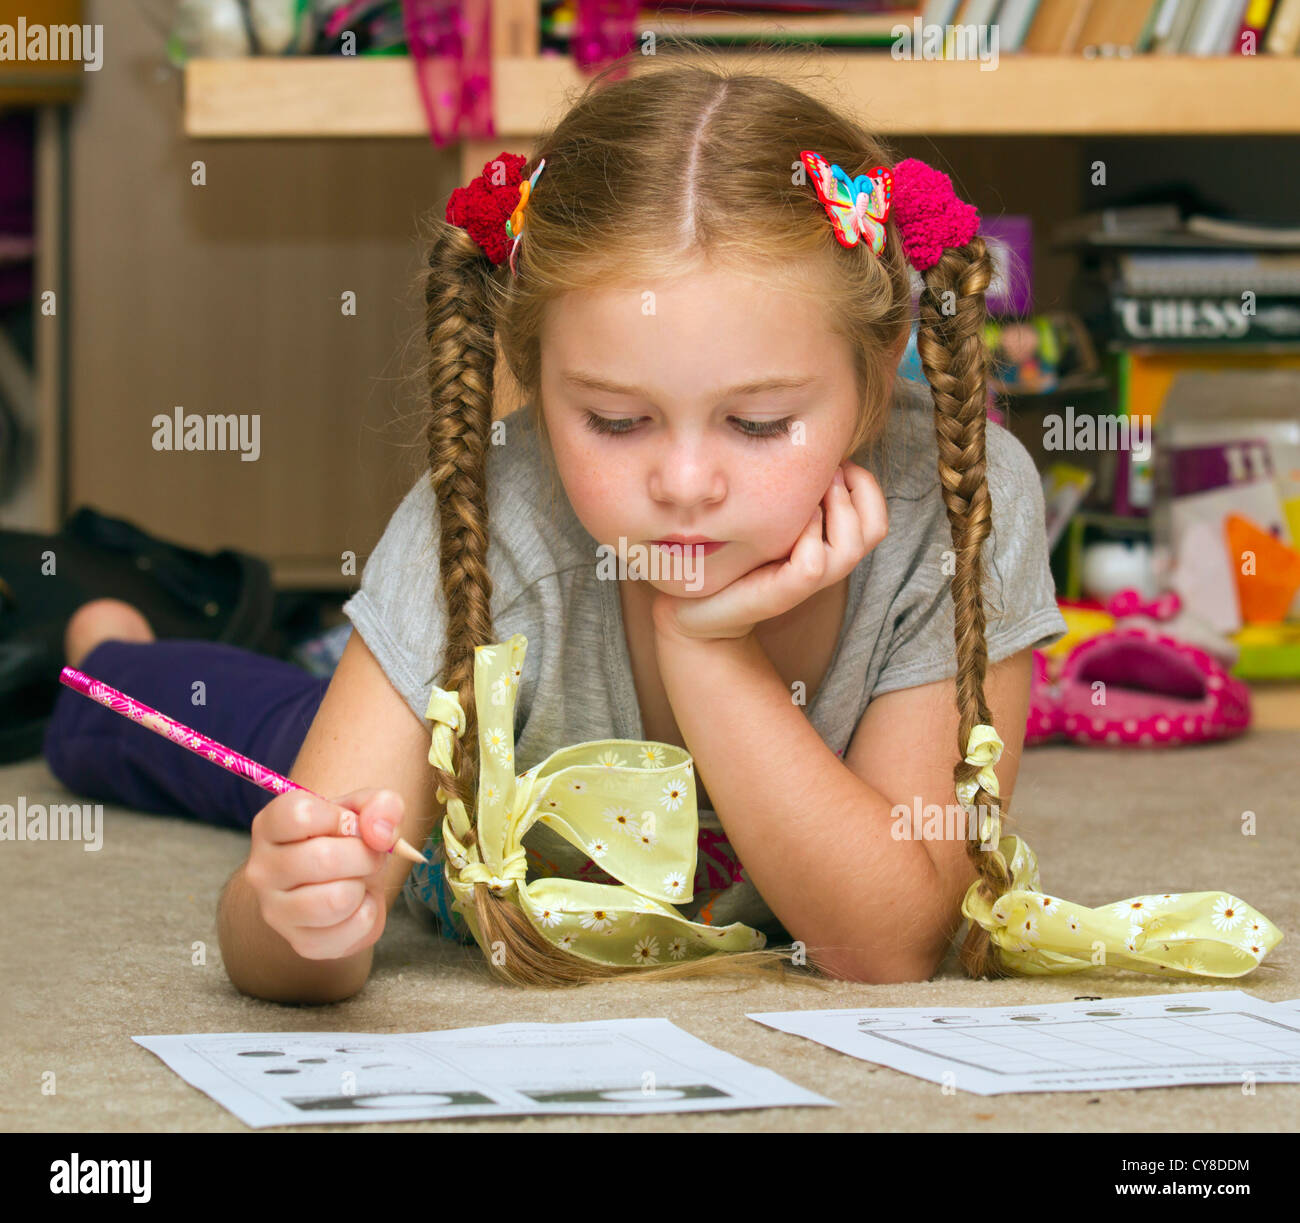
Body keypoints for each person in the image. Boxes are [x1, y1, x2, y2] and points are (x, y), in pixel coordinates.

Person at [46, 50, 1070, 1002]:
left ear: (877, 361)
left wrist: (704, 646)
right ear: (528, 380)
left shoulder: (959, 500)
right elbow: (270, 939)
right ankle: (113, 647)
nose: (681, 481)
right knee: (248, 735)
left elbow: (885, 944)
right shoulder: (493, 507)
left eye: (757, 422)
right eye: (616, 420)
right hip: (455, 731)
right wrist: (297, 919)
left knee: (316, 691)